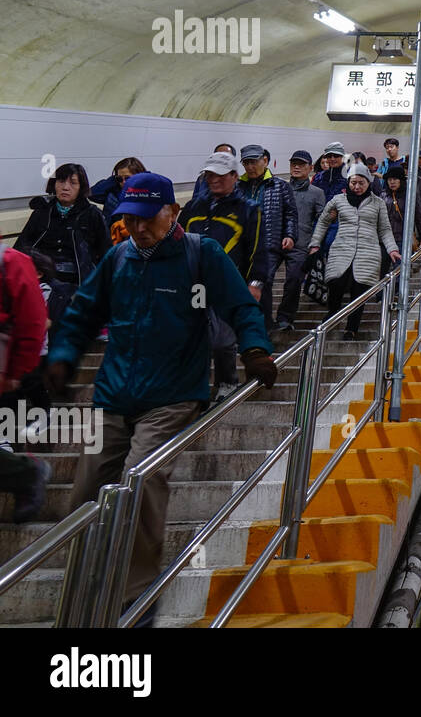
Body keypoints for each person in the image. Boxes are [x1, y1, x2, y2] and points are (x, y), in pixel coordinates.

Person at [47, 173, 274, 622]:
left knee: (141, 479)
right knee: (86, 490)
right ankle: (85, 579)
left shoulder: (199, 255)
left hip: (172, 395)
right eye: (130, 219)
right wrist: (64, 357)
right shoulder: (119, 259)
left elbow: (239, 305)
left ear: (173, 212)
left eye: (148, 219)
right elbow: (82, 314)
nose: (139, 228)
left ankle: (137, 596)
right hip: (113, 393)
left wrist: (254, 348)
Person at [179, 152, 268, 402]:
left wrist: (256, 282)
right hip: (194, 284)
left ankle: (227, 381)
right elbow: (177, 239)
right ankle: (193, 386)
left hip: (228, 284)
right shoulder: (194, 207)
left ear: (233, 176)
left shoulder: (248, 209)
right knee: (193, 336)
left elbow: (258, 249)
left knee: (222, 339)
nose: (214, 180)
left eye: (219, 175)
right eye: (209, 175)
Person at [309, 164, 400, 341]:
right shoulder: (337, 200)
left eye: (361, 183)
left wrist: (392, 249)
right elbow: (322, 222)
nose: (357, 187)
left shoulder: (378, 203)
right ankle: (332, 315)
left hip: (368, 252)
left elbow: (385, 229)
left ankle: (352, 328)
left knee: (359, 292)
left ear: (368, 182)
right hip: (341, 249)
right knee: (336, 284)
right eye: (353, 183)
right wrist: (315, 244)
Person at [0, 242, 52, 522]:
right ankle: (25, 472)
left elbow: (34, 320)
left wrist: (17, 372)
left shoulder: (11, 261)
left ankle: (26, 472)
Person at [15, 163, 110, 289]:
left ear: (81, 187)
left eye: (73, 183)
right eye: (61, 181)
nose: (65, 187)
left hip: (77, 281)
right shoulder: (43, 212)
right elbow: (21, 246)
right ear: (54, 184)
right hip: (42, 277)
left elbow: (106, 253)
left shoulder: (92, 214)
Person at [237, 145, 298, 331]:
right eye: (246, 163)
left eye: (253, 162)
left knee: (263, 281)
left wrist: (289, 235)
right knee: (242, 283)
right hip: (242, 245)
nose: (250, 167)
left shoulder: (280, 186)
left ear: (265, 160)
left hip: (269, 243)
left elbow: (290, 214)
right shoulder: (238, 186)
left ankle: (264, 326)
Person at [276, 150, 326, 332]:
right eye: (293, 163)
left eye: (301, 164)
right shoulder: (279, 188)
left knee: (294, 280)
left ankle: (285, 318)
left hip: (301, 244)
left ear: (311, 168)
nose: (296, 167)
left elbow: (322, 220)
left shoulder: (317, 193)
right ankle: (264, 318)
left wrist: (316, 243)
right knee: (263, 279)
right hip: (276, 241)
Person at [382, 164, 421, 252]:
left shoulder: (409, 196)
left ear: (401, 180)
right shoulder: (383, 196)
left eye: (395, 179)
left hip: (403, 239)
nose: (392, 182)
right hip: (386, 239)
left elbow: (419, 215)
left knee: (401, 265)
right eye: (389, 179)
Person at [89, 157, 146, 227]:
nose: (124, 182)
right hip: (113, 233)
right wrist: (114, 179)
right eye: (120, 179)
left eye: (127, 178)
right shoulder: (114, 192)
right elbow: (92, 194)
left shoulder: (148, 193)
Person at [312, 142, 349, 247]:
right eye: (329, 156)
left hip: (341, 222)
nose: (332, 159)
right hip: (321, 219)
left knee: (331, 245)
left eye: (336, 156)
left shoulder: (350, 177)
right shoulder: (320, 177)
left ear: (342, 156)